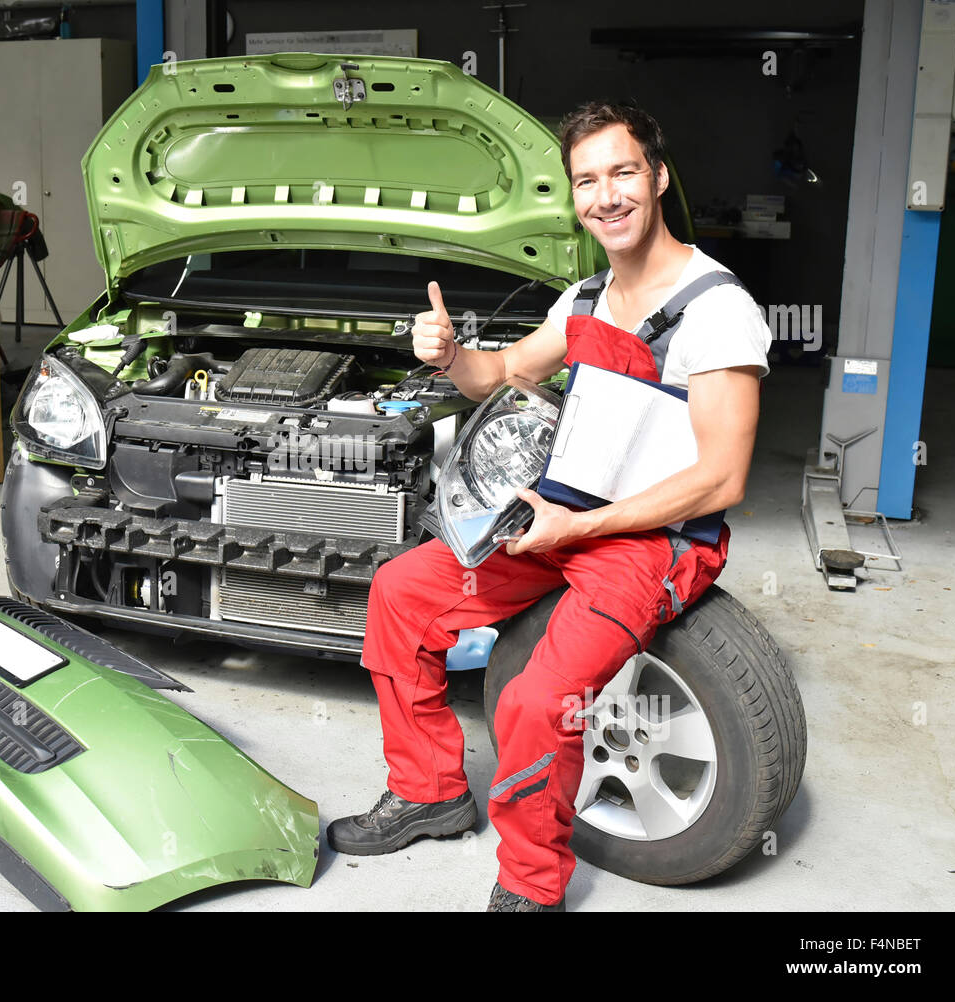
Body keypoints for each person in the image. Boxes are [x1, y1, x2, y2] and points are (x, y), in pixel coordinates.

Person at [326, 101, 772, 911]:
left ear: (659, 177)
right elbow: (501, 374)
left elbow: (721, 478)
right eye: (587, 180)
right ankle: (430, 792)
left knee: (537, 700)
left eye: (624, 172)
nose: (607, 196)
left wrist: (584, 527)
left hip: (649, 541)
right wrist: (451, 353)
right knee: (402, 595)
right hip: (559, 516)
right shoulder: (587, 297)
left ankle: (532, 884)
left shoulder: (717, 311)